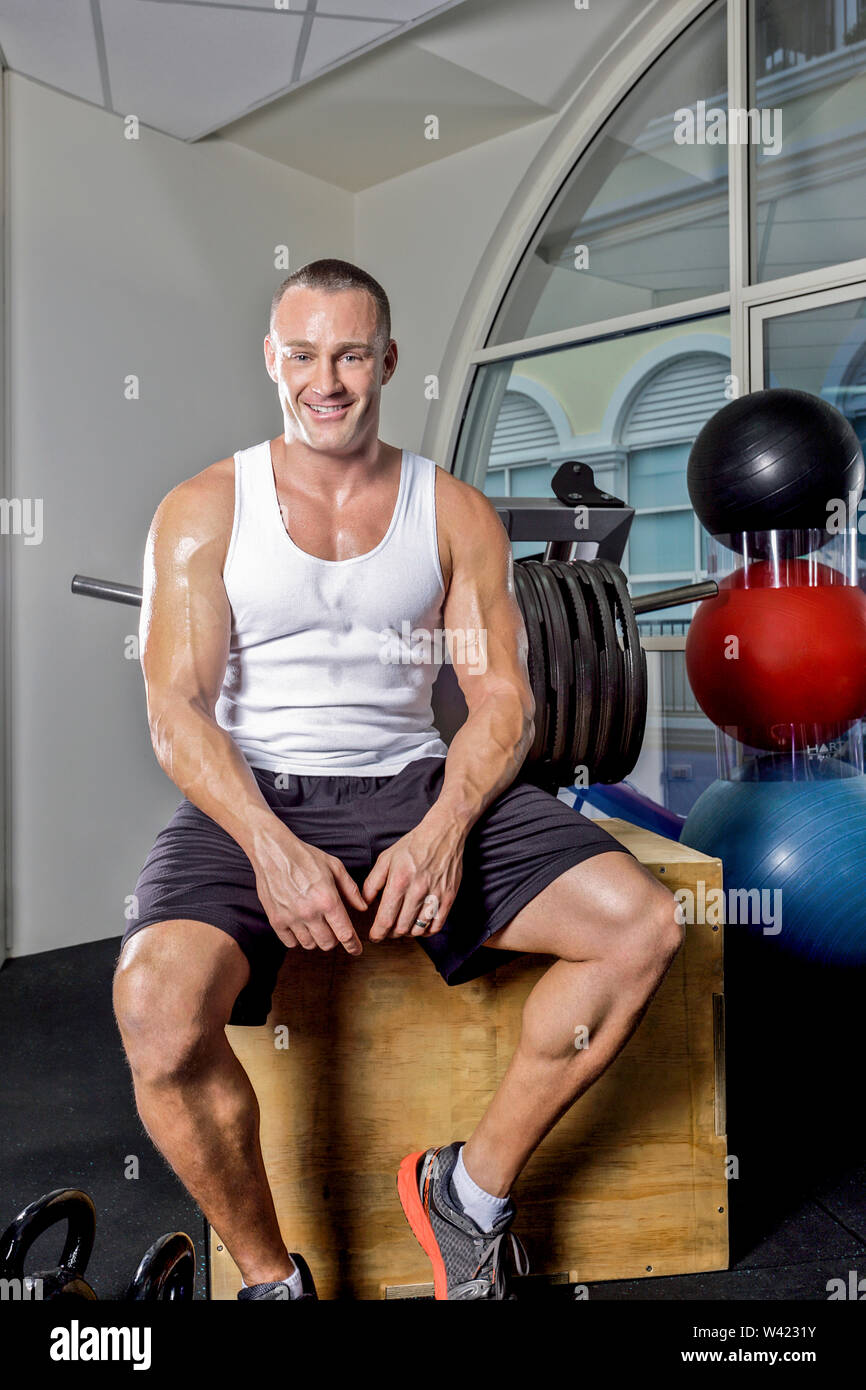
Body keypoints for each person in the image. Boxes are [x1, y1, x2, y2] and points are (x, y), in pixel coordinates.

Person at [112, 258, 684, 1302]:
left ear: (386, 360)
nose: (324, 378)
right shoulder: (202, 509)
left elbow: (502, 700)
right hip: (256, 794)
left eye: (348, 353)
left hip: (414, 786)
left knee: (640, 925)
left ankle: (469, 1194)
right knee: (153, 1005)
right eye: (302, 353)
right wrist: (269, 847)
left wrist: (444, 829)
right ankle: (270, 1279)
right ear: (271, 360)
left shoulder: (453, 511)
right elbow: (175, 710)